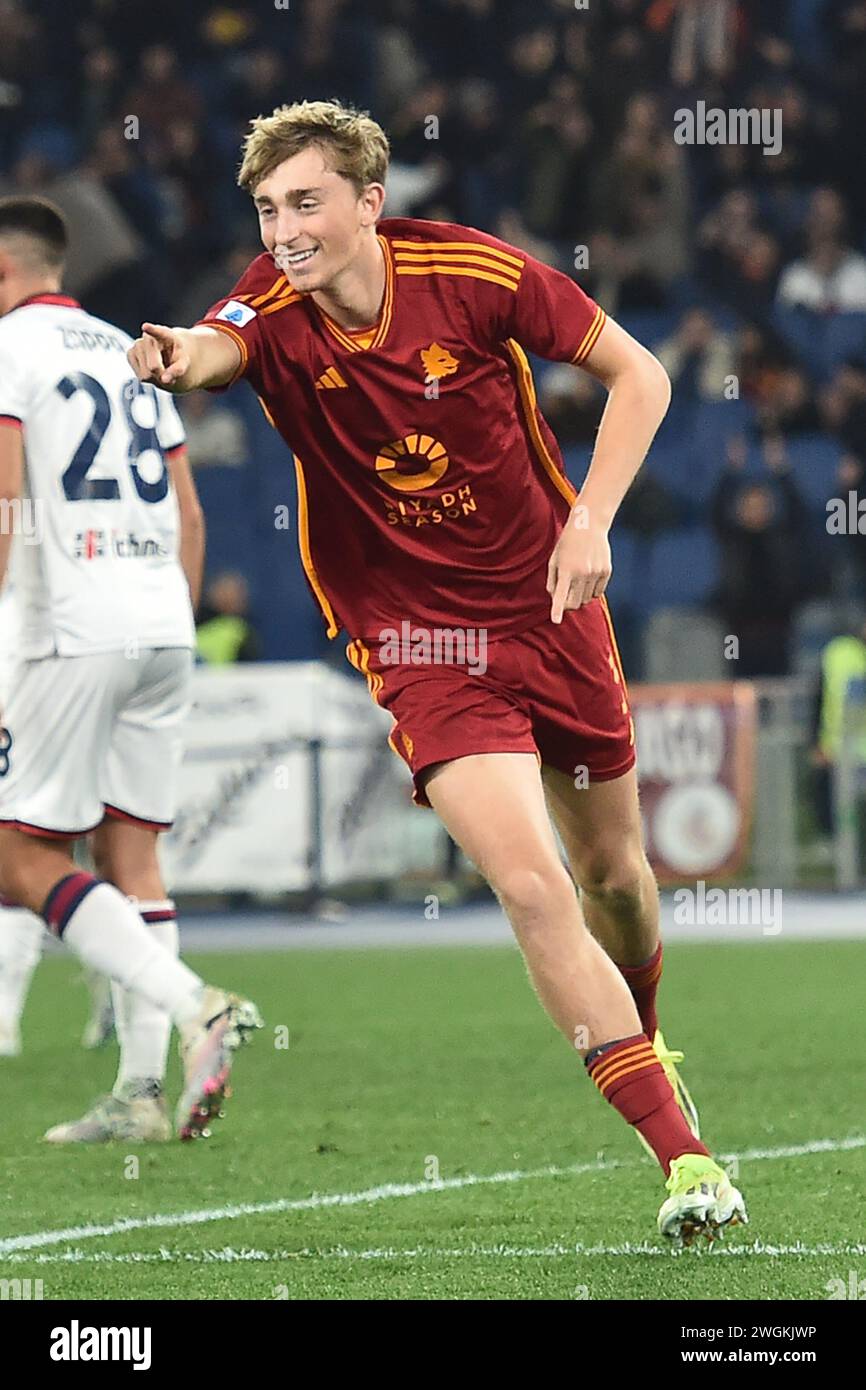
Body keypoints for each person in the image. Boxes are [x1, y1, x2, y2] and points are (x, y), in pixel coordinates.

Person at [128, 99, 746, 1244]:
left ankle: (646, 1033)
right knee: (528, 886)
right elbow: (217, 346)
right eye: (267, 210)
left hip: (550, 605)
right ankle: (683, 1154)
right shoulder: (267, 301)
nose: (284, 230)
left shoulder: (472, 272)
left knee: (611, 870)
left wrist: (590, 521)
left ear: (370, 203)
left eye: (305, 203)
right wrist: (176, 357)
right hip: (417, 643)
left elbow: (642, 376)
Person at [0, 195, 262, 1141]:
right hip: (160, 619)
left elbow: (7, 506)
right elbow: (191, 515)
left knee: (19, 858)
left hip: (69, 626)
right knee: (133, 857)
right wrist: (172, 627)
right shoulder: (135, 351)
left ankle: (199, 1005)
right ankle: (144, 1094)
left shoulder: (9, 353)